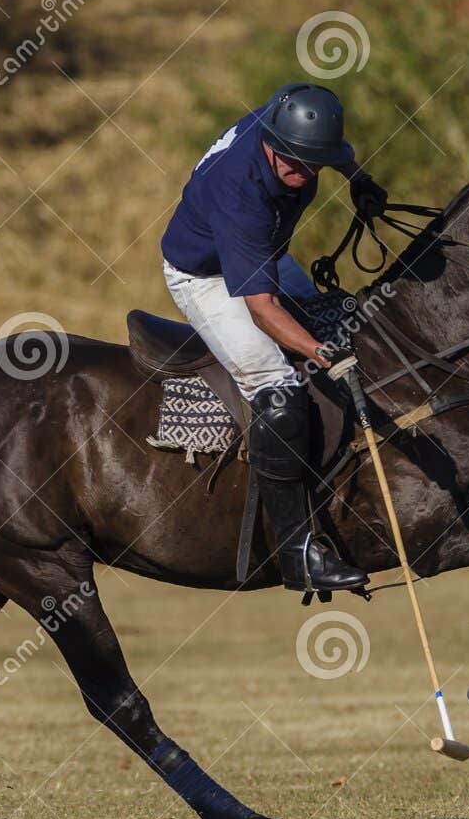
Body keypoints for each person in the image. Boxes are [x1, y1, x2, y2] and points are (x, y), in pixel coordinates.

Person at [161, 83, 387, 593]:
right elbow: (262, 310)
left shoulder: (296, 123)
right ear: (271, 140)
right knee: (279, 388)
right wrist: (322, 352)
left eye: (314, 165)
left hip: (261, 252)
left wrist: (359, 180)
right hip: (206, 274)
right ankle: (298, 552)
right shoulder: (240, 191)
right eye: (294, 163)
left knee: (345, 323)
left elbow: (335, 150)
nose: (303, 174)